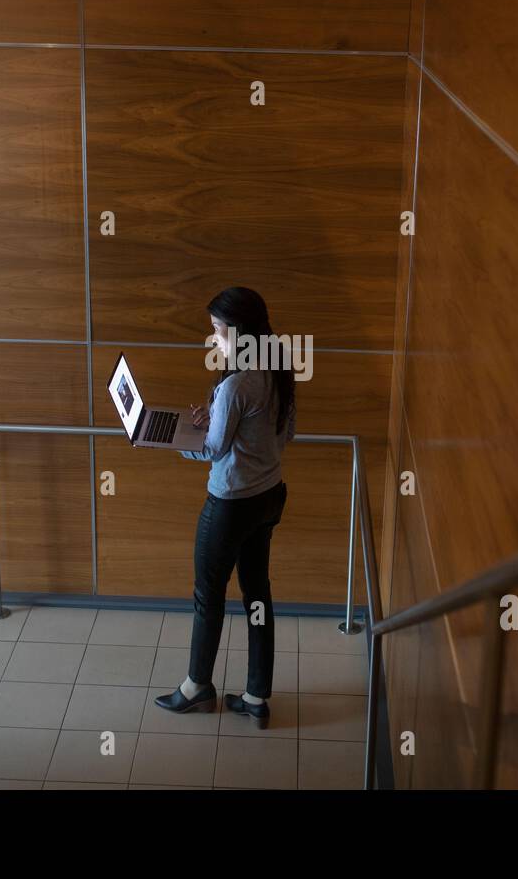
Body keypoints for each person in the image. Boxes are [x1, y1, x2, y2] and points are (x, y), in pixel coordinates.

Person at [153, 287, 296, 729]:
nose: (211, 338)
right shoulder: (278, 366)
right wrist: (216, 415)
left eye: (217, 330)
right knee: (257, 595)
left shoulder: (236, 383)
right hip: (268, 497)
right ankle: (255, 697)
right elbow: (284, 433)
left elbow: (214, 450)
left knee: (207, 596)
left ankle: (197, 687)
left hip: (230, 505)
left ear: (240, 331)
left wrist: (175, 439)